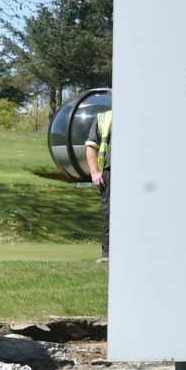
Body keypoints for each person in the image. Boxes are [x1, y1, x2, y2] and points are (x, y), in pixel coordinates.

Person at [83, 103, 113, 262]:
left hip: (136, 173)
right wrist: (94, 171)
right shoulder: (104, 117)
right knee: (109, 213)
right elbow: (91, 146)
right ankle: (107, 255)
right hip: (110, 171)